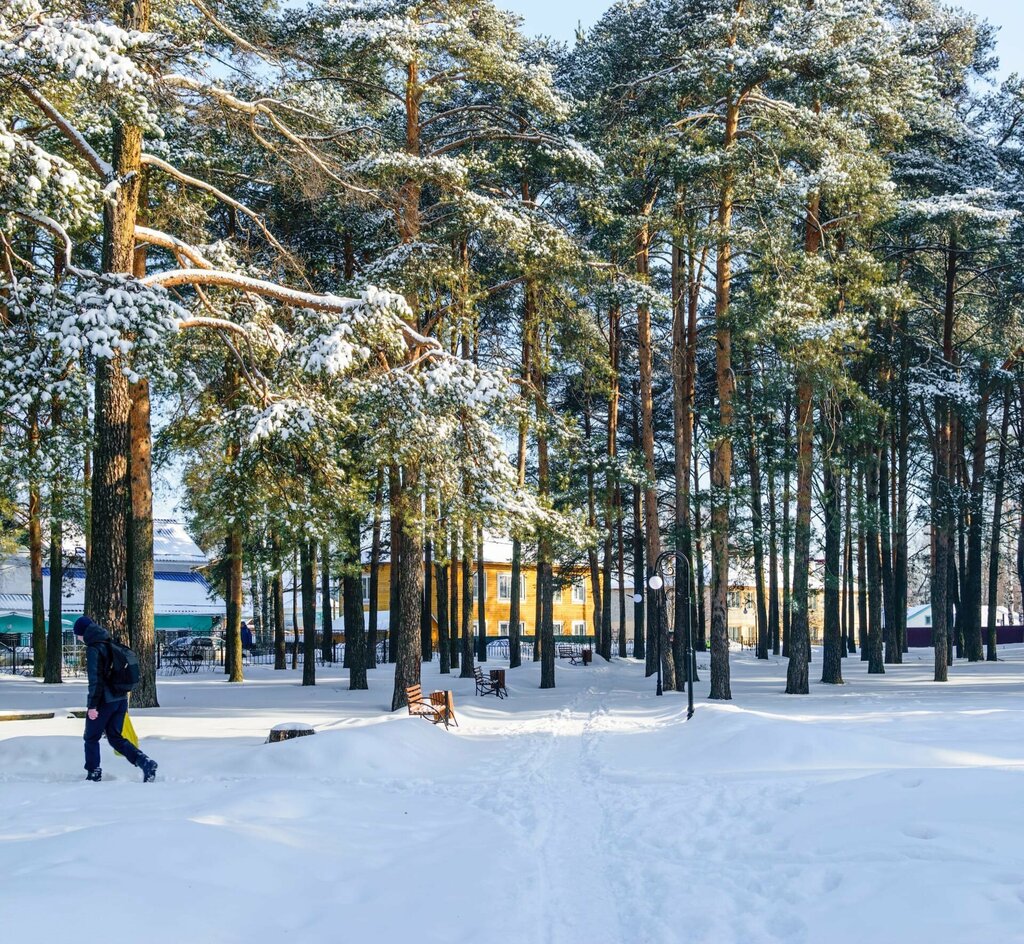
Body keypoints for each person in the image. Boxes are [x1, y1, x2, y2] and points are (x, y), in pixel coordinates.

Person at [74, 616, 158, 783]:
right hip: (120, 699)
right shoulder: (108, 642)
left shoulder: (94, 649)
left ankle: (93, 773)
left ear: (83, 633)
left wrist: (92, 706)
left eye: (77, 635)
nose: (77, 638)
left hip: (104, 701)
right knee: (115, 737)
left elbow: (95, 680)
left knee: (91, 737)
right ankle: (145, 762)